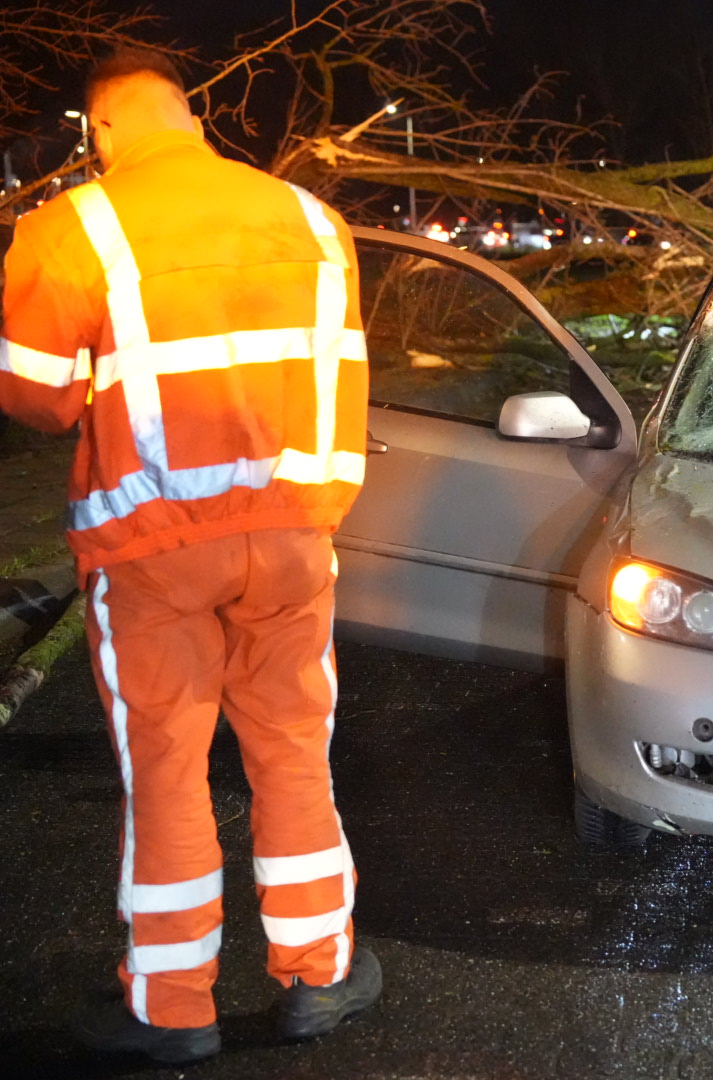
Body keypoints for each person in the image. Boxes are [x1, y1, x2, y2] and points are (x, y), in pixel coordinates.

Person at [0, 49, 378, 1065]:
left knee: (168, 771)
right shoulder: (308, 217)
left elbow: (31, 392)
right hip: (295, 541)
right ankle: (319, 978)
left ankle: (172, 1010)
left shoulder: (74, 224)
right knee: (294, 755)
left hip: (154, 550)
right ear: (188, 118)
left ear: (103, 132)